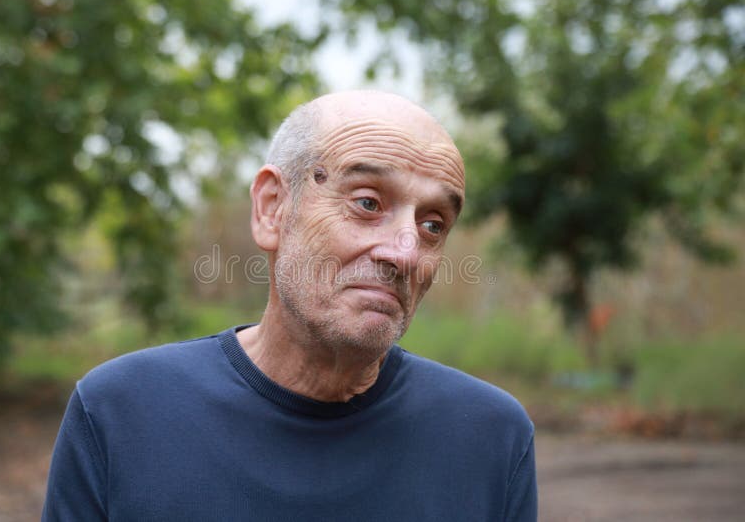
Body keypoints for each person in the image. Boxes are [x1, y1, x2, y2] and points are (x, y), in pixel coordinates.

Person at [42, 91, 537, 521]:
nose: (405, 252)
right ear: (272, 208)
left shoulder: (489, 438)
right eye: (367, 203)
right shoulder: (122, 413)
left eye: (433, 225)